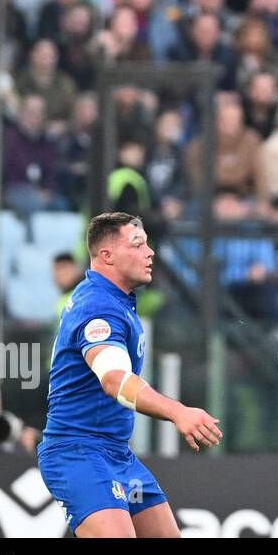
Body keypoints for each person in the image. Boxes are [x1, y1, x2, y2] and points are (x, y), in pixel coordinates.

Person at [37, 213, 222, 537]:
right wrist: (178, 411)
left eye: (148, 243)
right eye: (137, 244)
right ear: (106, 255)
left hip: (117, 455)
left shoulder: (116, 301)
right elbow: (114, 380)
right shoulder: (97, 307)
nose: (150, 252)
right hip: (77, 453)